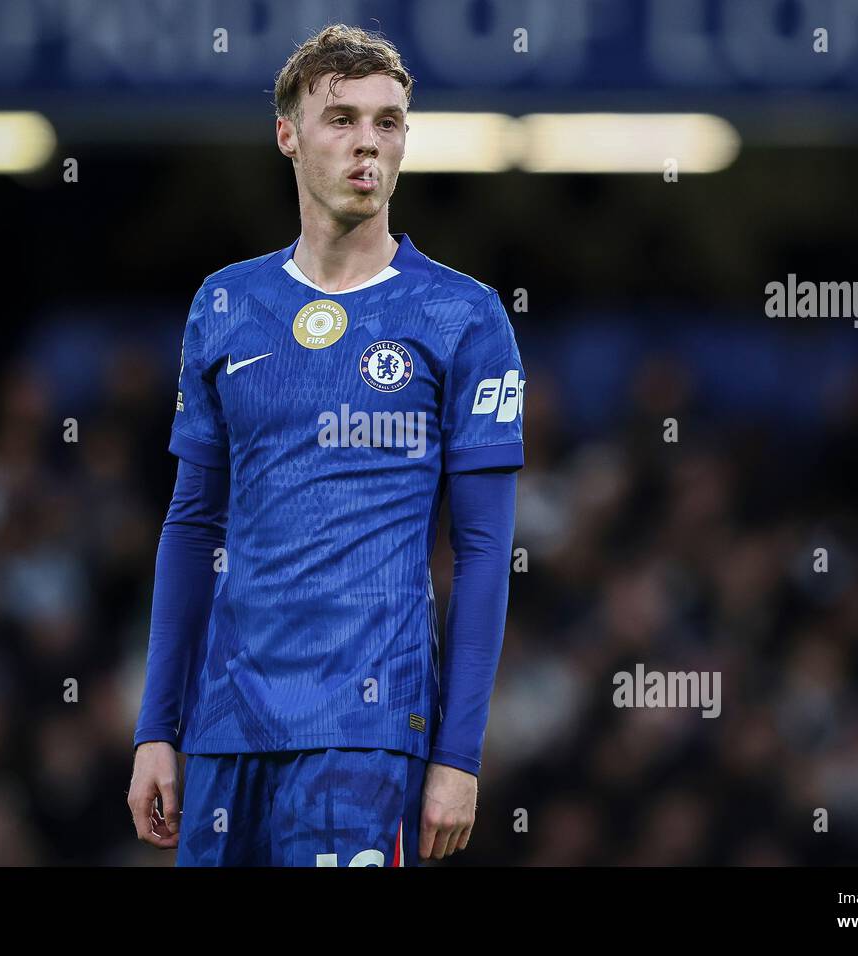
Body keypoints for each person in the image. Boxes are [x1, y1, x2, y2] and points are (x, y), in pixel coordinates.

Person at [127, 23, 525, 866]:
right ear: (288, 134)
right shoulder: (225, 306)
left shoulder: (464, 316)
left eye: (387, 122)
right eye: (341, 118)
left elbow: (485, 548)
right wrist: (156, 728)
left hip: (367, 728)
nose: (367, 145)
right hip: (226, 725)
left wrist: (459, 754)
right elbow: (193, 526)